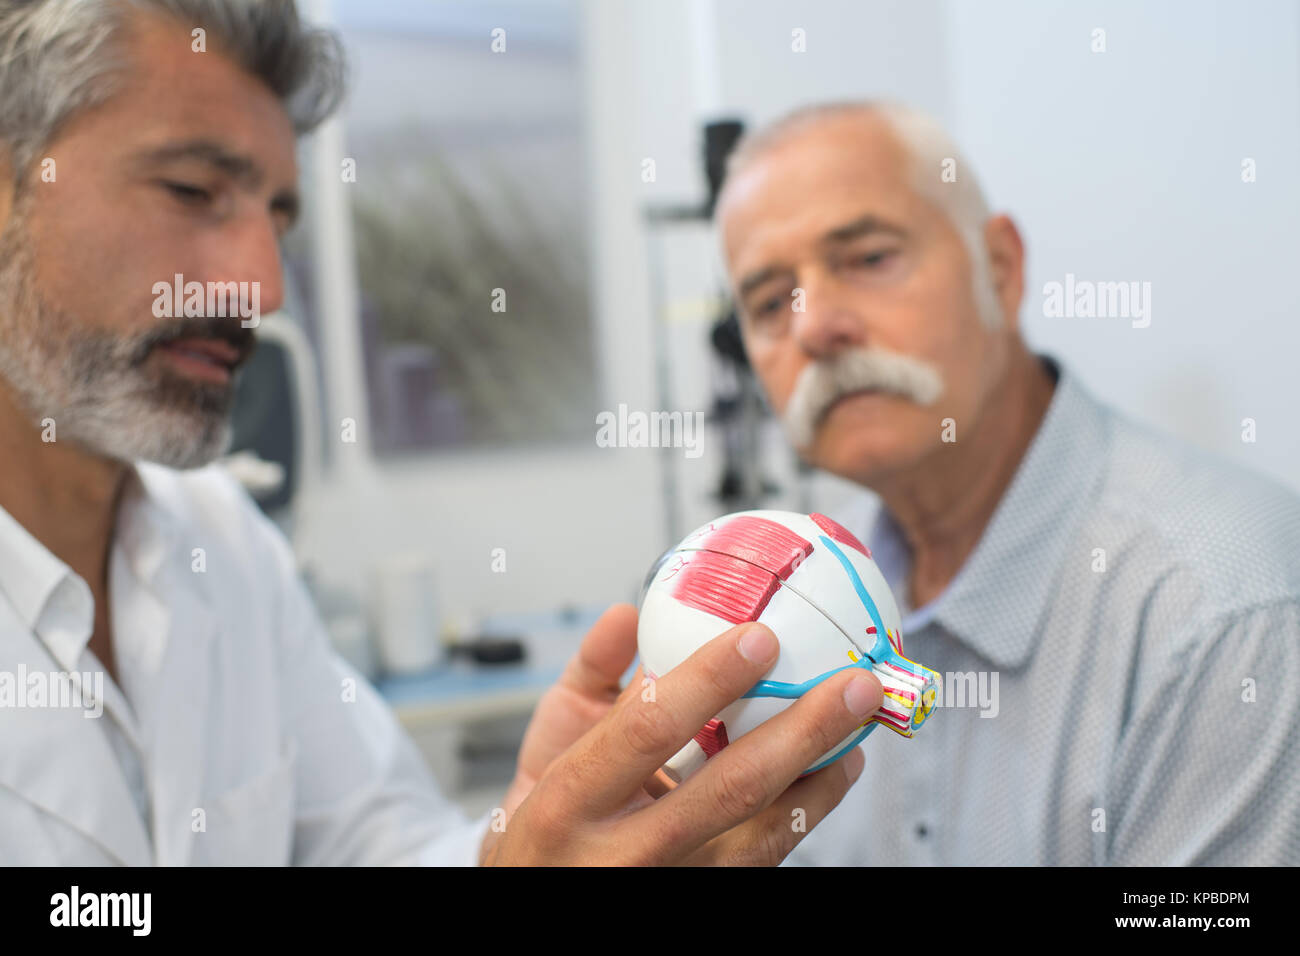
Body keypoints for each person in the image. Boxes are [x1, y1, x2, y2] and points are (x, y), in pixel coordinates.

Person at [0, 0, 884, 866]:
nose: (261, 289)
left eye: (278, 217)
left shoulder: (226, 548)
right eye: (192, 191)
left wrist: (527, 837)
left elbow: (372, 845)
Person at [713, 100, 1300, 865]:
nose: (815, 326)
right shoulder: (798, 597)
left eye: (869, 258)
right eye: (768, 303)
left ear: (1002, 269)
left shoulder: (1221, 612)